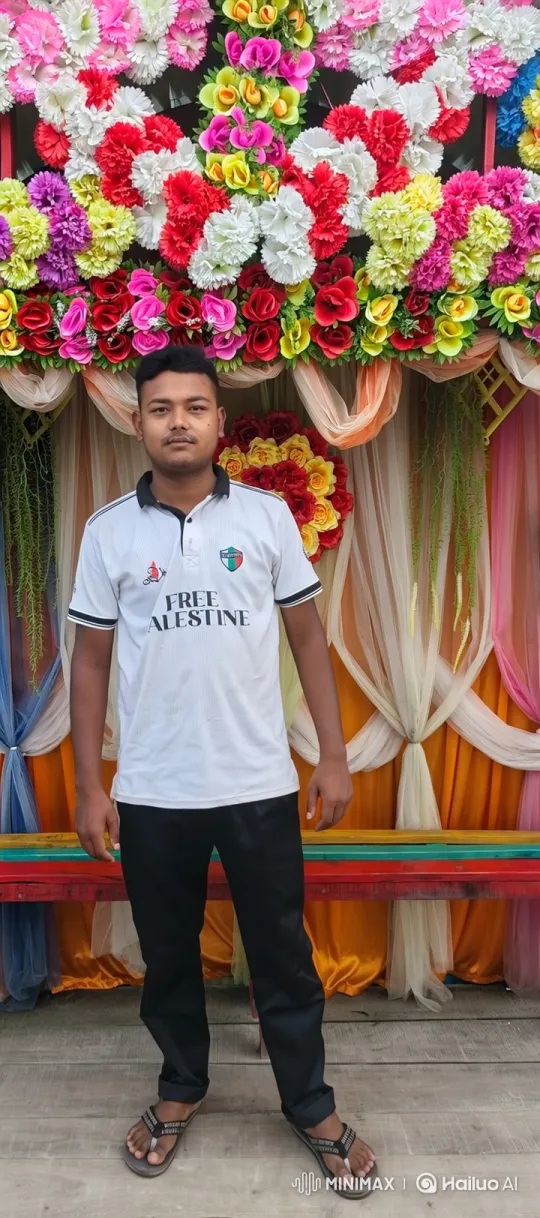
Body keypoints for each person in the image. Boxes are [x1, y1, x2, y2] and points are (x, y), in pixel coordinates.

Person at [69, 345, 376, 1193]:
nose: (178, 421)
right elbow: (89, 663)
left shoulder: (268, 520)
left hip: (258, 784)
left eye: (194, 407)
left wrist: (334, 756)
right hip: (153, 792)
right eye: (161, 408)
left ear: (219, 421)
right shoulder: (108, 533)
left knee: (282, 953)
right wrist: (92, 785)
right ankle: (180, 1087)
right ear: (138, 422)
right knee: (167, 957)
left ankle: (310, 1104)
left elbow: (308, 640)